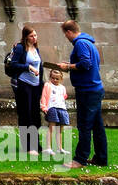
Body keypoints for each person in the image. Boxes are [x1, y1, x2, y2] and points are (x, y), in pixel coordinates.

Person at [48, 20, 107, 168]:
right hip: (95, 89)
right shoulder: (90, 43)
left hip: (87, 90)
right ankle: (101, 158)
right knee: (97, 126)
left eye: (65, 34)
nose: (66, 37)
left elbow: (86, 64)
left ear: (68, 32)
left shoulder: (80, 44)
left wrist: (67, 66)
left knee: (84, 125)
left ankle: (80, 159)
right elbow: (95, 64)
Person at [7, 25, 44, 157]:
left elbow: (40, 66)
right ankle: (28, 146)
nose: (34, 38)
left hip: (35, 85)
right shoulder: (20, 48)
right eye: (31, 36)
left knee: (35, 115)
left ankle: (36, 144)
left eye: (35, 35)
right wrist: (28, 67)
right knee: (25, 115)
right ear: (25, 36)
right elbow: (13, 64)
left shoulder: (35, 48)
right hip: (24, 85)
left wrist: (42, 84)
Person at [40, 68, 70, 157]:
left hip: (62, 109)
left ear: (61, 79)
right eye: (53, 78)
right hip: (52, 108)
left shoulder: (62, 88)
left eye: (57, 79)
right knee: (51, 128)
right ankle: (48, 147)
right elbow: (44, 97)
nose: (55, 80)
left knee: (60, 130)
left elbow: (63, 97)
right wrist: (44, 107)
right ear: (50, 77)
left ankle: (60, 148)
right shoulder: (47, 85)